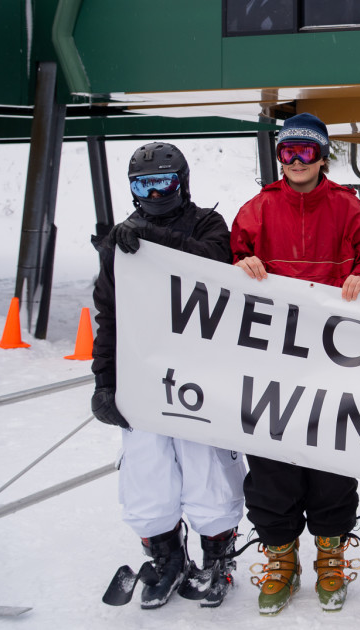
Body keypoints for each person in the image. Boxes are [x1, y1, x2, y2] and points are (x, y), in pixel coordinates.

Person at [230, 112, 360, 615]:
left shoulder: (347, 208)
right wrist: (238, 267)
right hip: (272, 364)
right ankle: (280, 556)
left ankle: (329, 554)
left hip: (332, 362)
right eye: (287, 152)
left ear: (322, 155)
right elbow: (228, 264)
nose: (297, 161)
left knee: (331, 463)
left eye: (306, 151)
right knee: (272, 463)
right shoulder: (258, 209)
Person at [90, 142, 245, 609]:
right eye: (144, 185)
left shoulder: (207, 224)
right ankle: (163, 555)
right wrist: (105, 381)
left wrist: (164, 244)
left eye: (164, 183)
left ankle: (217, 556)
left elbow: (220, 265)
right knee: (147, 470)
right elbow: (109, 315)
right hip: (143, 374)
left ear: (183, 182)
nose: (155, 194)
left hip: (200, 371)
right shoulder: (122, 239)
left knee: (206, 468)